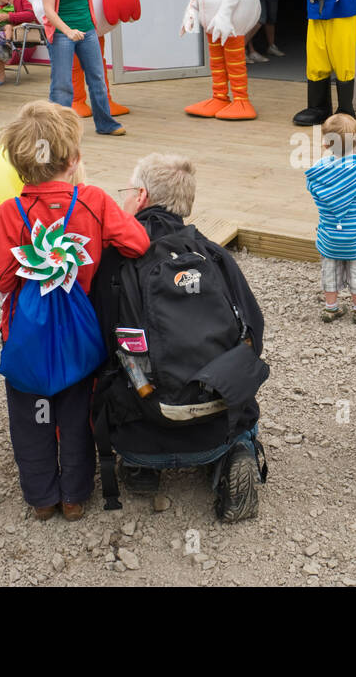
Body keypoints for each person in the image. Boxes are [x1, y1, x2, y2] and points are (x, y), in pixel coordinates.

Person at [0, 101, 149, 521]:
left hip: (26, 337)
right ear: (74, 158)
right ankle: (75, 495)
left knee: (31, 415)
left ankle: (41, 498)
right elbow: (138, 244)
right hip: (80, 334)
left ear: (17, 163)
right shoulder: (92, 200)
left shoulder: (11, 211)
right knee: (76, 411)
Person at [92, 153, 267, 515]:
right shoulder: (214, 255)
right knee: (239, 391)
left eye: (127, 191)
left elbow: (97, 342)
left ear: (140, 196)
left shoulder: (114, 260)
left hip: (136, 430)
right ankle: (237, 450)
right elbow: (254, 334)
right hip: (214, 426)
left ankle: (142, 467)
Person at [36, 0, 125, 136]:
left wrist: (90, 28)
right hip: (62, 35)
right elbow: (48, 11)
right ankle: (60, 131)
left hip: (87, 32)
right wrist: (67, 31)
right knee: (62, 84)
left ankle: (106, 124)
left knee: (98, 79)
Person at [305, 112, 356, 323]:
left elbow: (315, 184)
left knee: (330, 270)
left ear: (325, 146)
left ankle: (331, 308)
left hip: (330, 237)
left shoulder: (319, 174)